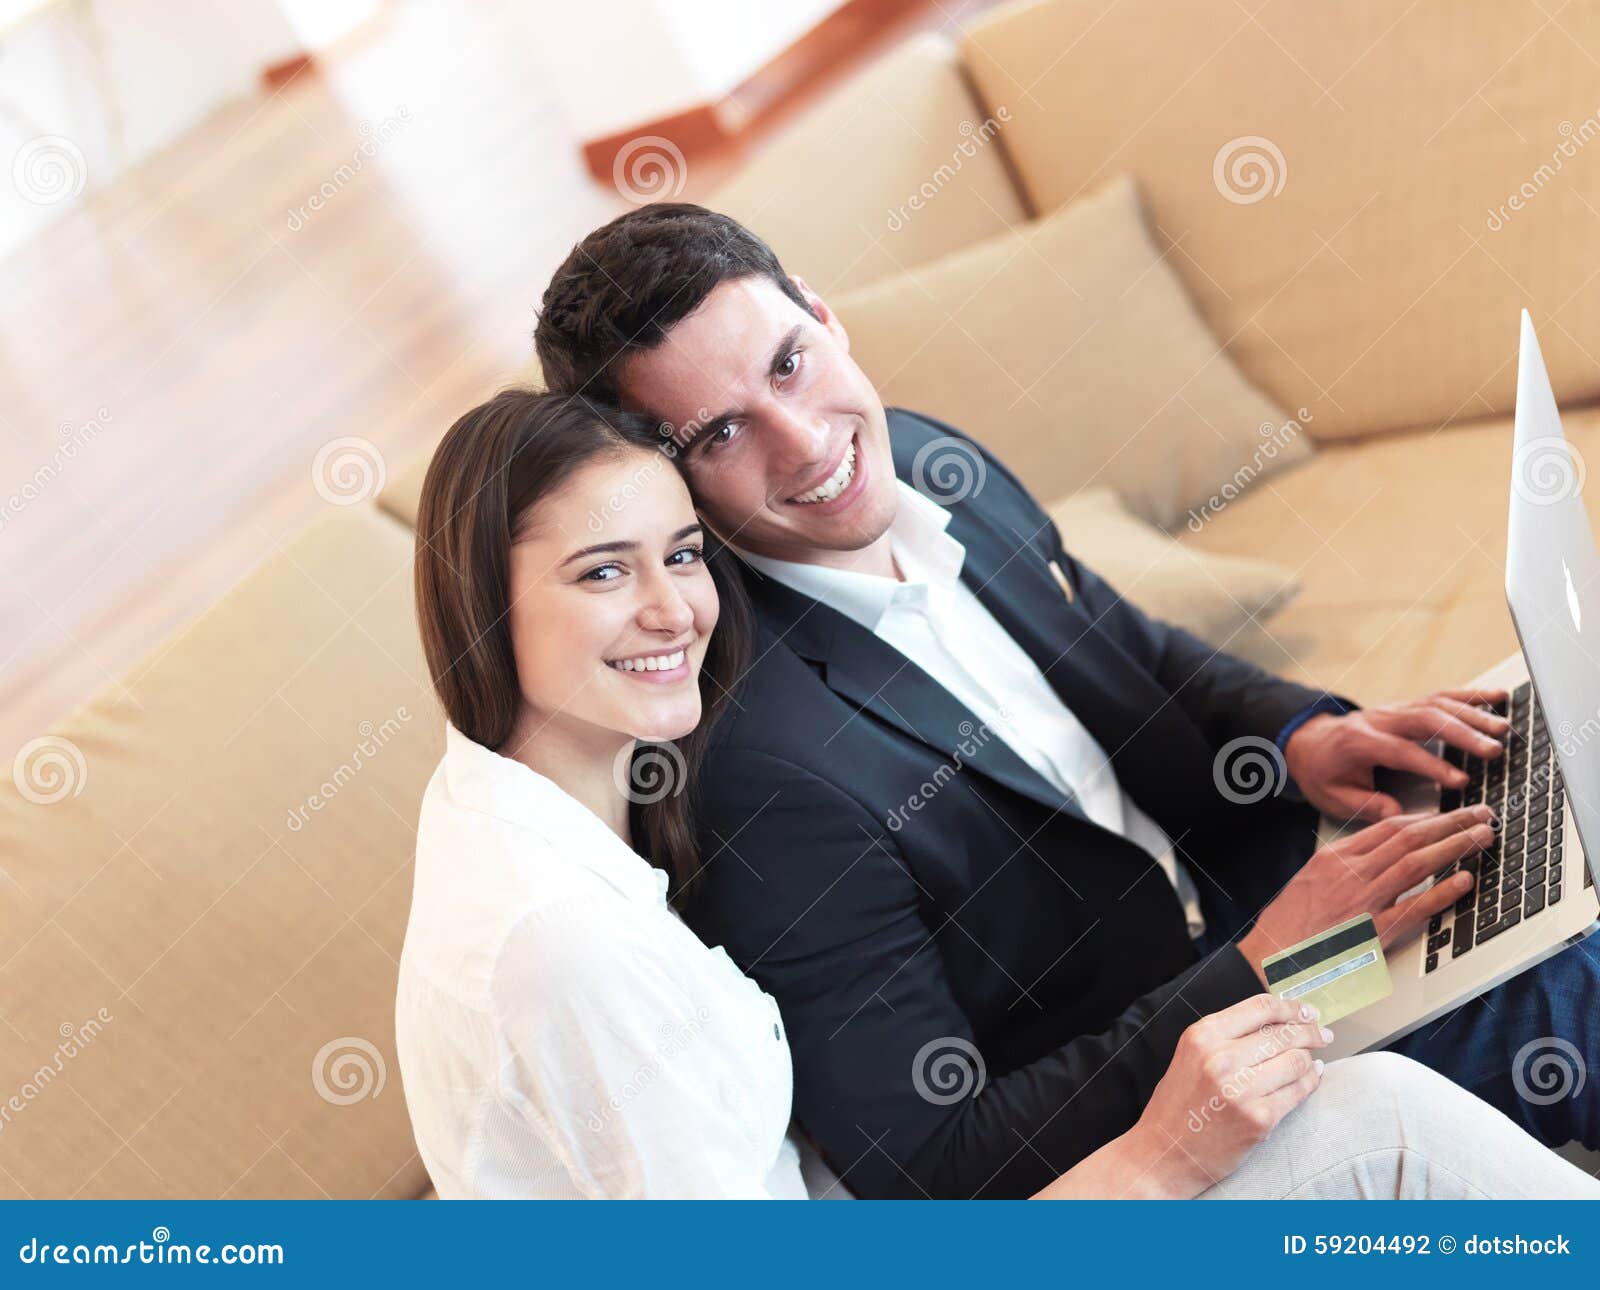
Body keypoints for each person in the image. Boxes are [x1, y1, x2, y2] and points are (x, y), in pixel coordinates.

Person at [530, 203, 1600, 1199]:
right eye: (719, 434)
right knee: (1577, 995)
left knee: (1562, 832)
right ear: (660, 480)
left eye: (789, 364)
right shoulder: (753, 773)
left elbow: (1131, 651)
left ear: (820, 311)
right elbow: (931, 1162)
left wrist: (1303, 733)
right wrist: (1275, 959)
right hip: (1187, 1063)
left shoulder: (930, 462)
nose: (806, 441)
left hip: (1257, 899)